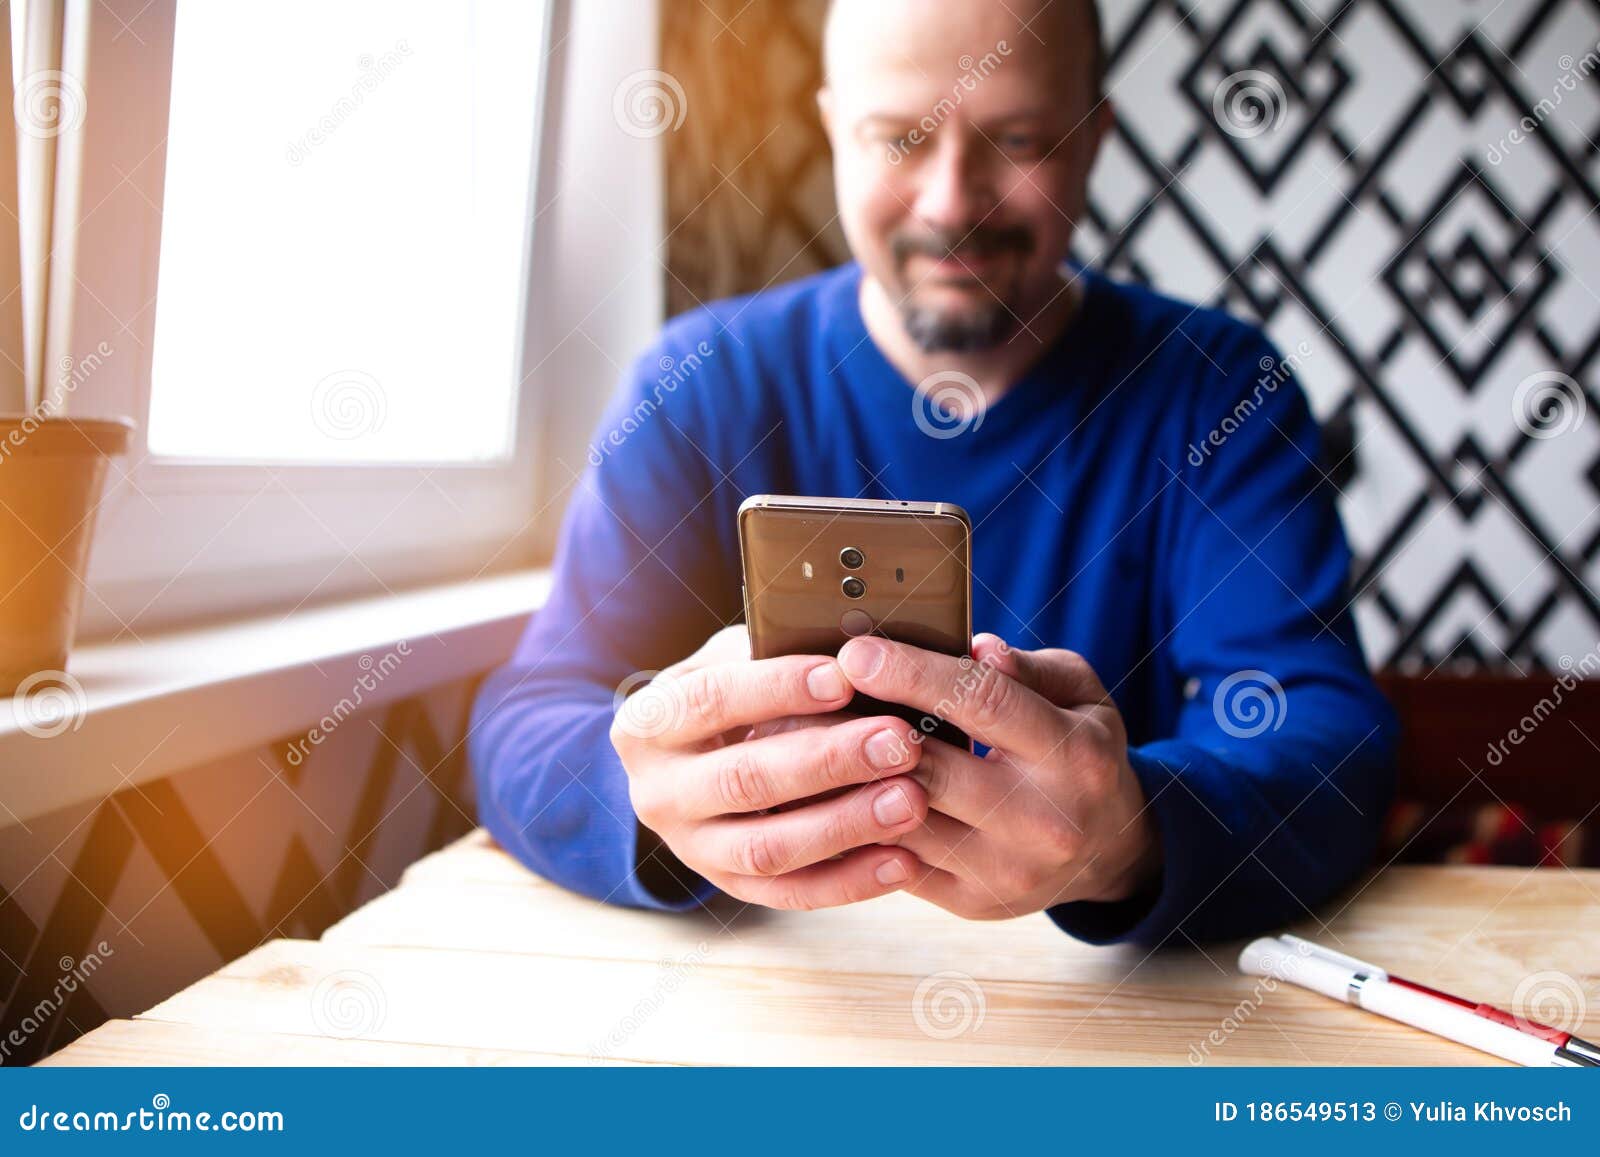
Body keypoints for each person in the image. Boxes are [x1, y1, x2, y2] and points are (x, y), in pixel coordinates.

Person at [468, 0, 1396, 946]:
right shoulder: (697, 382)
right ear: (834, 130)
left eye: (1019, 139)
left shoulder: (1218, 390)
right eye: (898, 138)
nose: (953, 204)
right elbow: (529, 717)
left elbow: (1326, 736)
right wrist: (653, 800)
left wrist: (1133, 835)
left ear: (1093, 140)